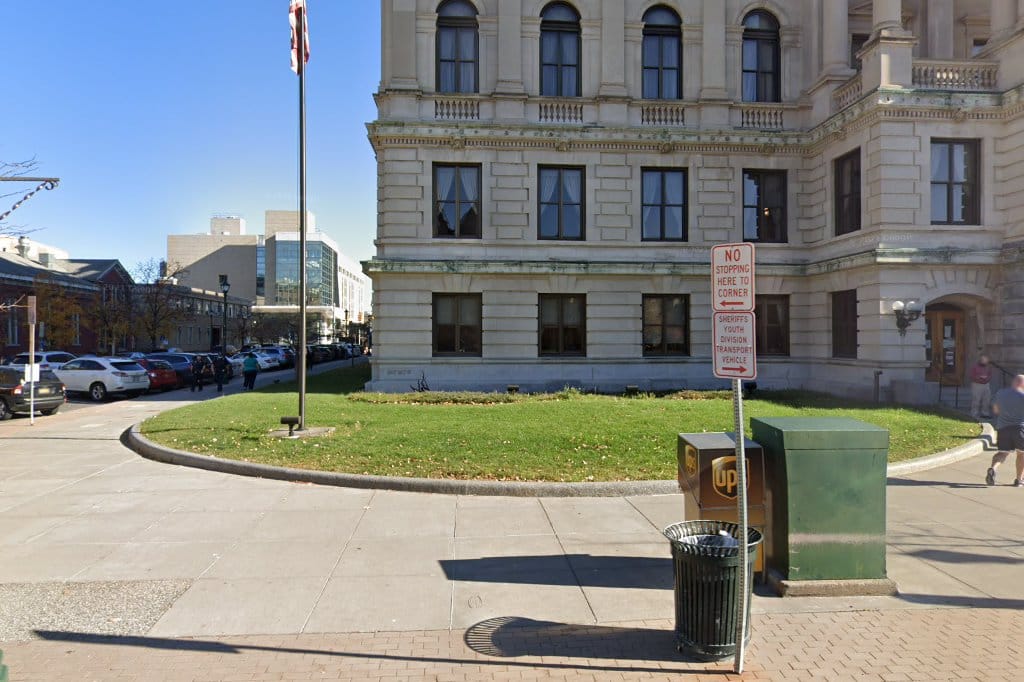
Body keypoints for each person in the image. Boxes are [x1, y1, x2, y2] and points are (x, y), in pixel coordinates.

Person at [985, 374, 1024, 487]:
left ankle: (993, 468)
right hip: (1019, 428)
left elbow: (996, 410)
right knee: (1021, 454)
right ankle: (1019, 480)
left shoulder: (1000, 393)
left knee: (1002, 453)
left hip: (1003, 428)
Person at [969, 354, 993, 420]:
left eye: (986, 360)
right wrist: (979, 378)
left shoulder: (988, 367)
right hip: (977, 385)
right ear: (980, 360)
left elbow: (990, 375)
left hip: (986, 385)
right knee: (976, 399)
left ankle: (985, 413)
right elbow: (972, 376)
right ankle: (974, 414)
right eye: (983, 360)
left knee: (986, 399)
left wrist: (987, 378)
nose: (984, 361)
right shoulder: (974, 367)